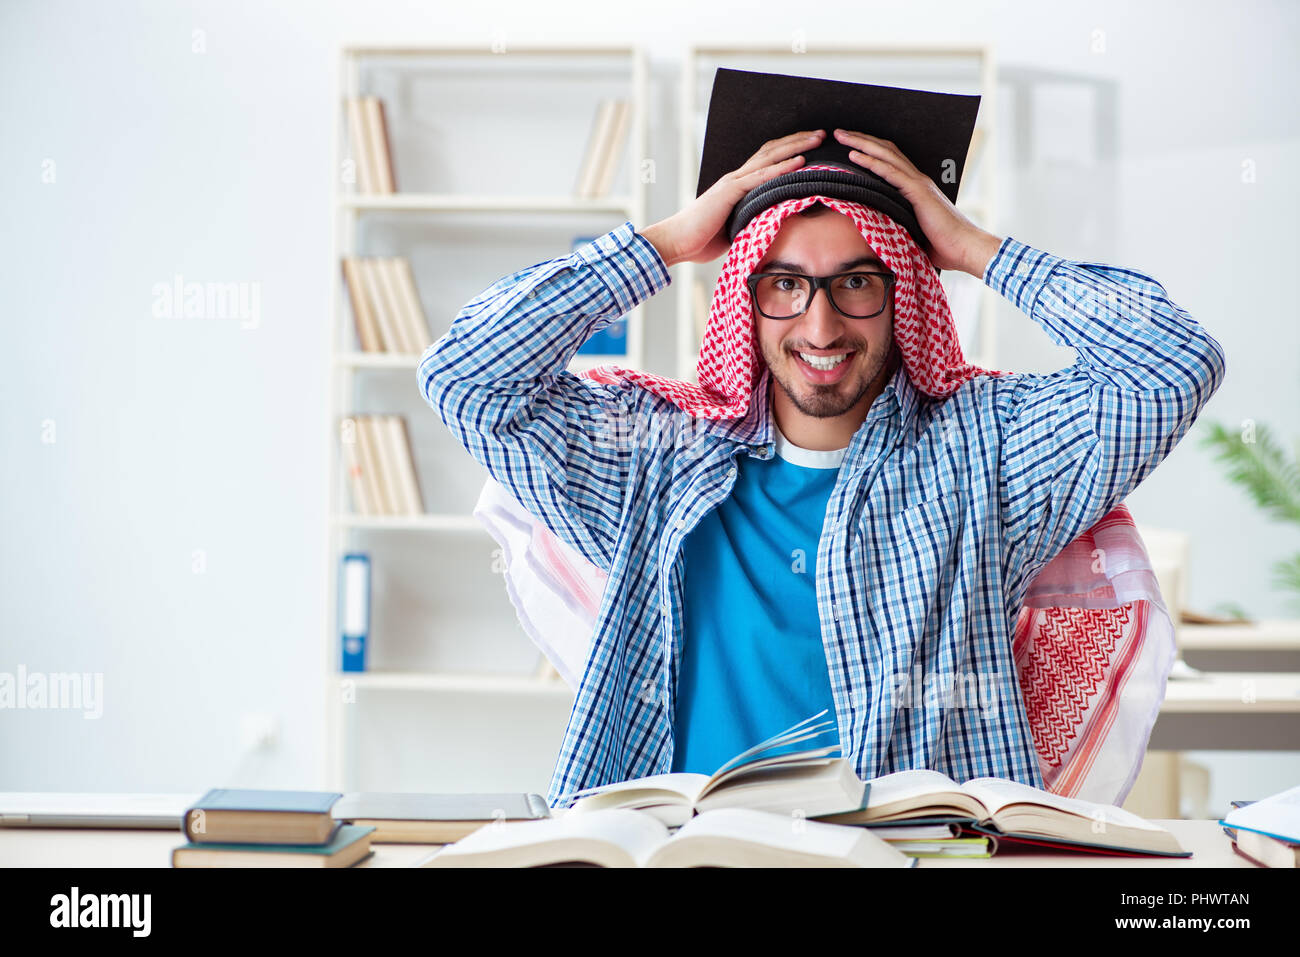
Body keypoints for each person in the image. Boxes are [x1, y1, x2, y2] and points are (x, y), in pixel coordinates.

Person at [419, 126, 1225, 809]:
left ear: (904, 290)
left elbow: (1173, 365)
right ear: (746, 296)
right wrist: (662, 243)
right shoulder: (655, 456)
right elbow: (465, 374)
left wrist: (976, 248)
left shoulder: (985, 452)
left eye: (857, 282)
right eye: (787, 284)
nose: (822, 321)